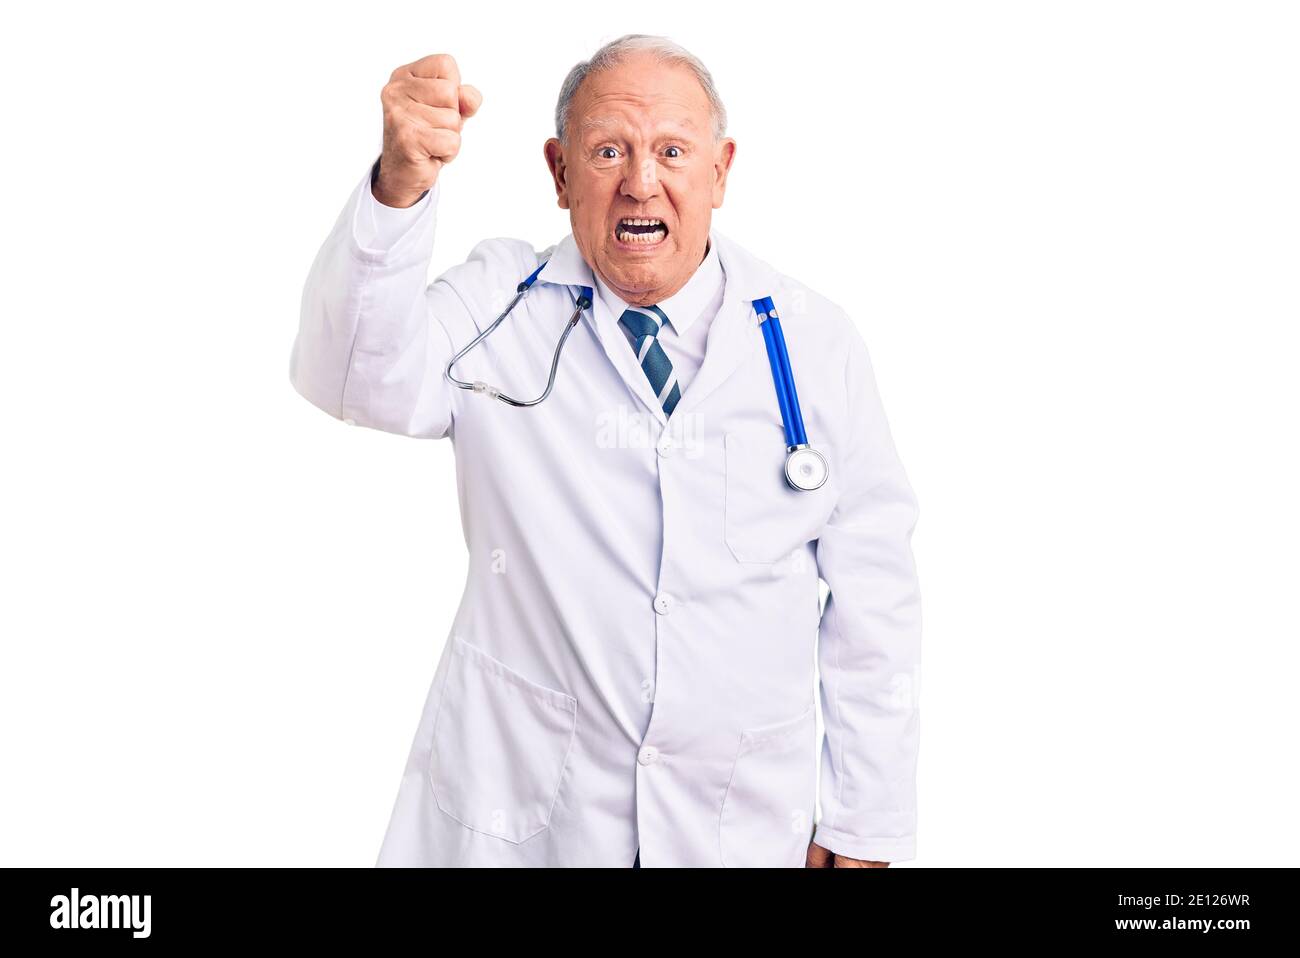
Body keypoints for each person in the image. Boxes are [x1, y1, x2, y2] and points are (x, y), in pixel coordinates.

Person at [289, 34, 921, 868]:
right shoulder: (499, 304)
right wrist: (399, 188)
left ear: (722, 170)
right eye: (608, 150)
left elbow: (873, 596)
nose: (640, 182)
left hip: (740, 824)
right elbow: (350, 380)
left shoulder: (813, 341)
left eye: (671, 150)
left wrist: (863, 824)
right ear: (558, 172)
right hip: (524, 822)